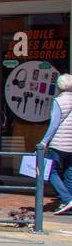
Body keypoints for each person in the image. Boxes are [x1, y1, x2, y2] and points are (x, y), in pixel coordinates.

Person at [40, 74, 72, 215]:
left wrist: (44, 141)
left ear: (59, 86)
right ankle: (68, 203)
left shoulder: (59, 101)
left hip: (59, 142)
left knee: (49, 170)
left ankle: (66, 199)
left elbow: (54, 124)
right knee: (69, 173)